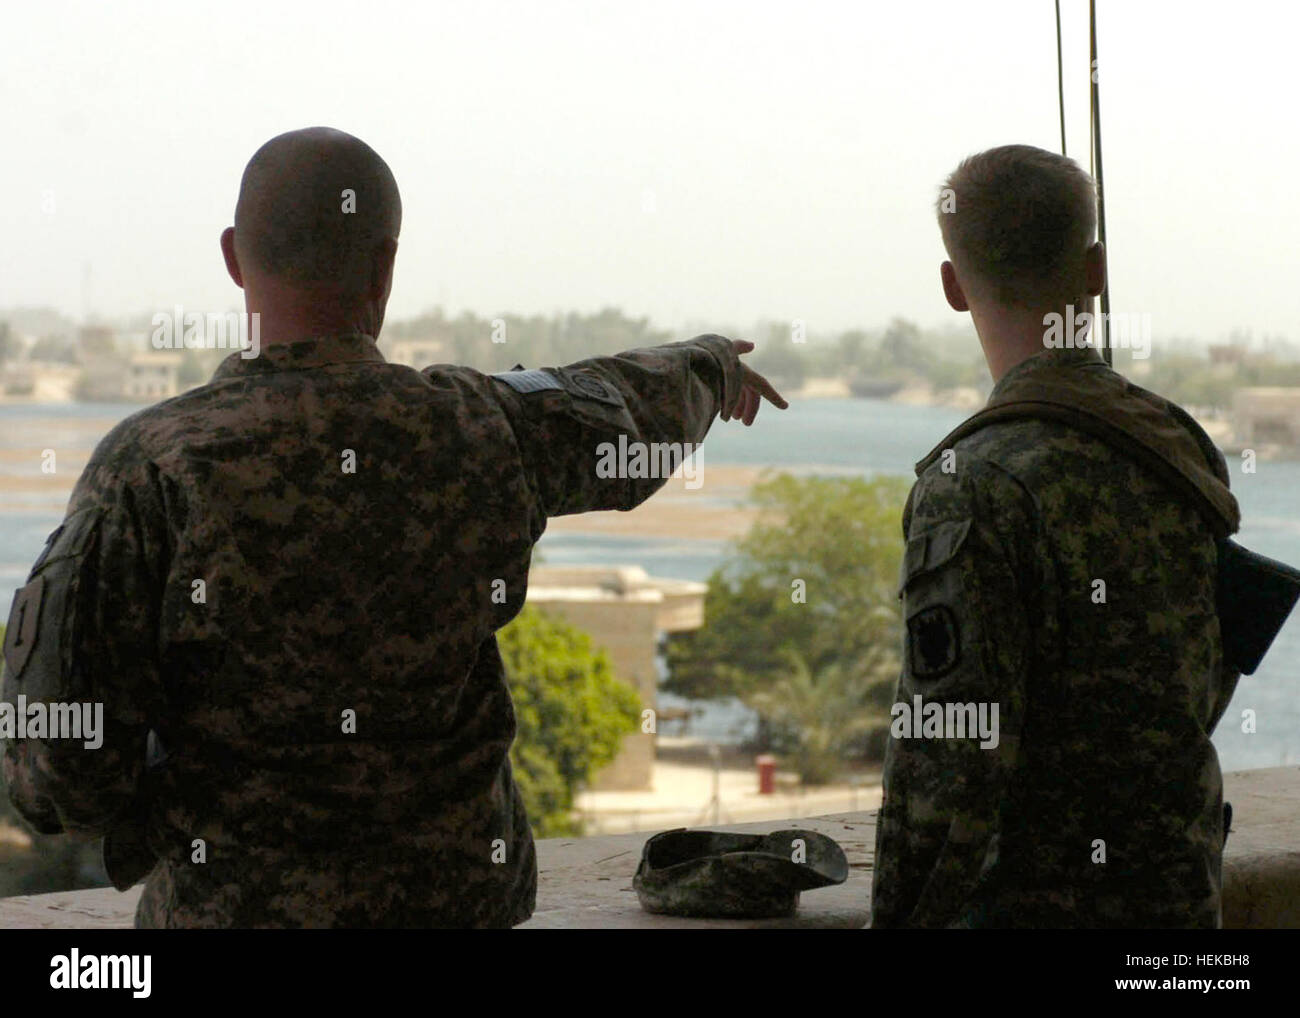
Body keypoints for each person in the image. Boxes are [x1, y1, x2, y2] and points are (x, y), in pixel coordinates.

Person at [1, 126, 786, 928]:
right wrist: (710, 366)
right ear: (385, 265)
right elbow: (618, 410)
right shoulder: (477, 427)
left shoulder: (151, 466)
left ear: (235, 258)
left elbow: (59, 772)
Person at [870, 144, 1241, 928]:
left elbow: (946, 764)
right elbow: (1202, 682)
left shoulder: (970, 484)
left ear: (951, 287)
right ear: (1095, 269)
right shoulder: (1181, 446)